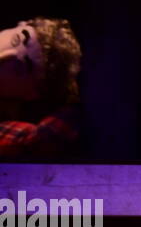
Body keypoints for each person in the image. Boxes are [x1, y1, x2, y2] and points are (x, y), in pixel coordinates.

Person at [0, 17, 81, 161]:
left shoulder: (18, 136)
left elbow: (46, 137)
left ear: (31, 94)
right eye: (16, 39)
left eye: (20, 68)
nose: (6, 55)